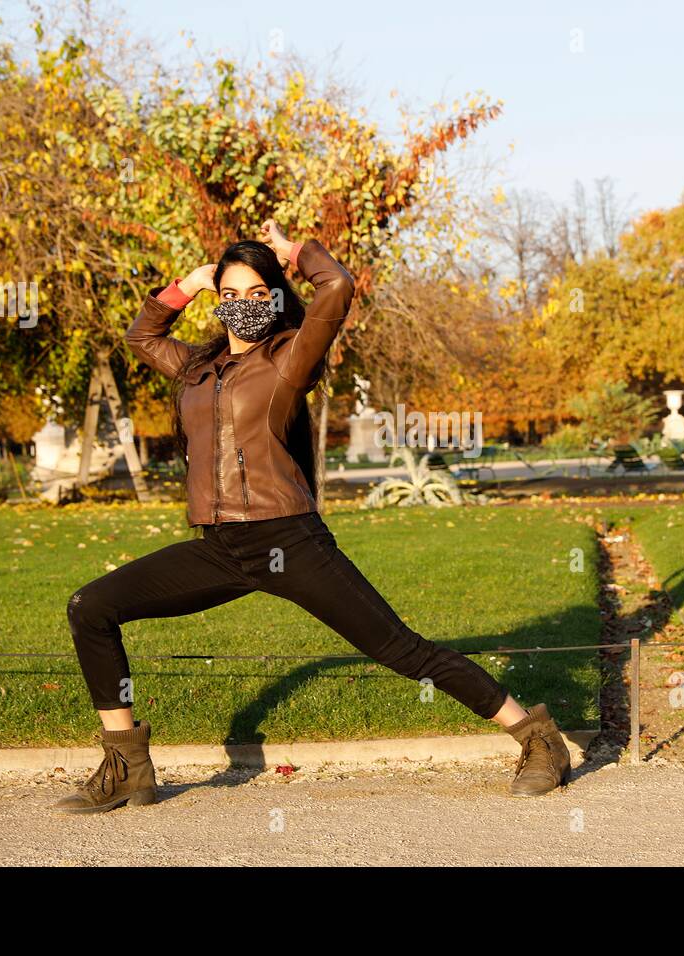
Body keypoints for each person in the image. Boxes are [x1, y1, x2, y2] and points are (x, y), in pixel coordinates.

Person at [52, 219, 572, 813]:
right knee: (91, 607)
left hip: (289, 541)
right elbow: (143, 335)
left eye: (256, 293)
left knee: (401, 650)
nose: (243, 304)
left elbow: (337, 286)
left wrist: (295, 251)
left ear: (274, 297)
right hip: (219, 548)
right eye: (229, 293)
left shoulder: (289, 358)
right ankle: (127, 766)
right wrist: (188, 284)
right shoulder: (197, 368)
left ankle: (537, 737)